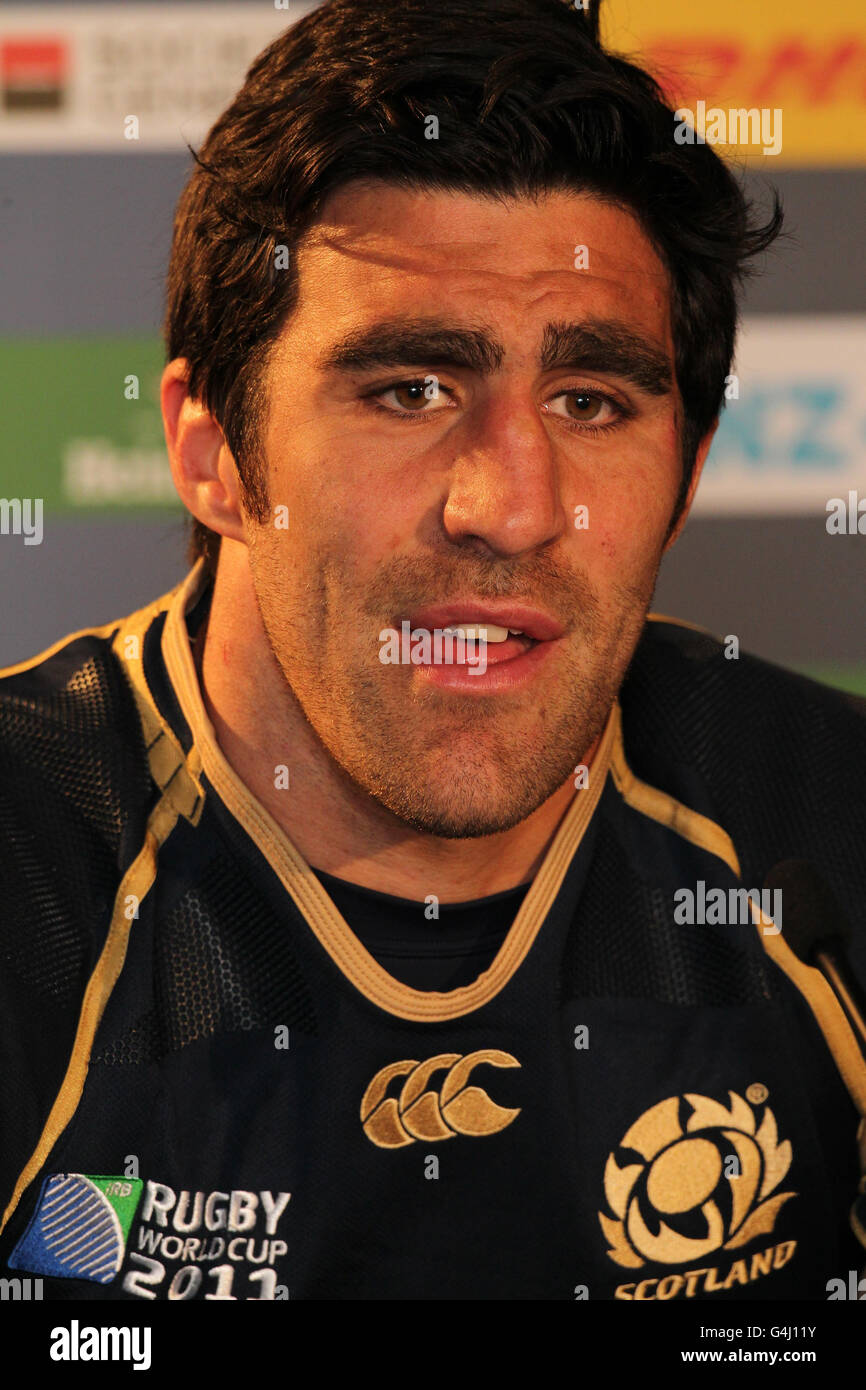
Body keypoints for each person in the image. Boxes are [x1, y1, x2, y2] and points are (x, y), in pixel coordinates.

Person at [1, 0, 864, 1303]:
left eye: (590, 400)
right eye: (408, 389)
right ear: (212, 454)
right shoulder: (29, 847)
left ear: (683, 479)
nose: (509, 505)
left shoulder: (825, 814)